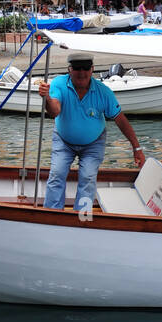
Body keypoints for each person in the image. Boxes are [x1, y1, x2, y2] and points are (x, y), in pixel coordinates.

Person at [38, 54, 146, 211]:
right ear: (69, 70)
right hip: (63, 140)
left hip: (93, 143)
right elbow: (55, 111)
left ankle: (83, 217)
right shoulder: (59, 84)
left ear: (92, 69)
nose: (81, 72)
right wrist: (47, 98)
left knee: (87, 178)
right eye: (77, 68)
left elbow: (121, 120)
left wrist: (136, 148)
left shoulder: (104, 92)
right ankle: (51, 214)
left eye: (86, 68)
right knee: (56, 174)